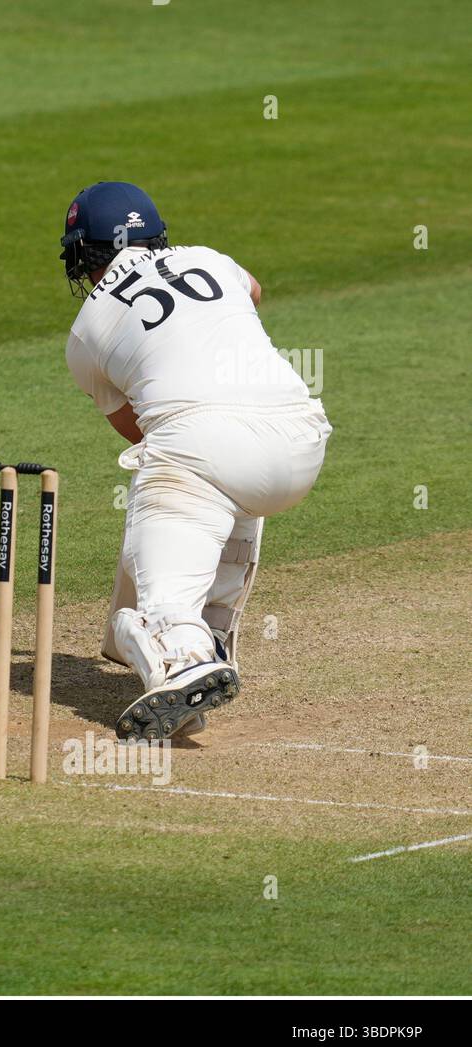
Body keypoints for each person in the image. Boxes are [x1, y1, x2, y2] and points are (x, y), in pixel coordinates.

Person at [60, 181, 332, 740]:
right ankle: (212, 632)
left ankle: (180, 649)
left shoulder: (86, 330)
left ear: (83, 255)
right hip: (302, 437)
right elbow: (253, 291)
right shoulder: (209, 259)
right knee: (213, 472)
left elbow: (139, 426)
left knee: (173, 462)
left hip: (211, 448)